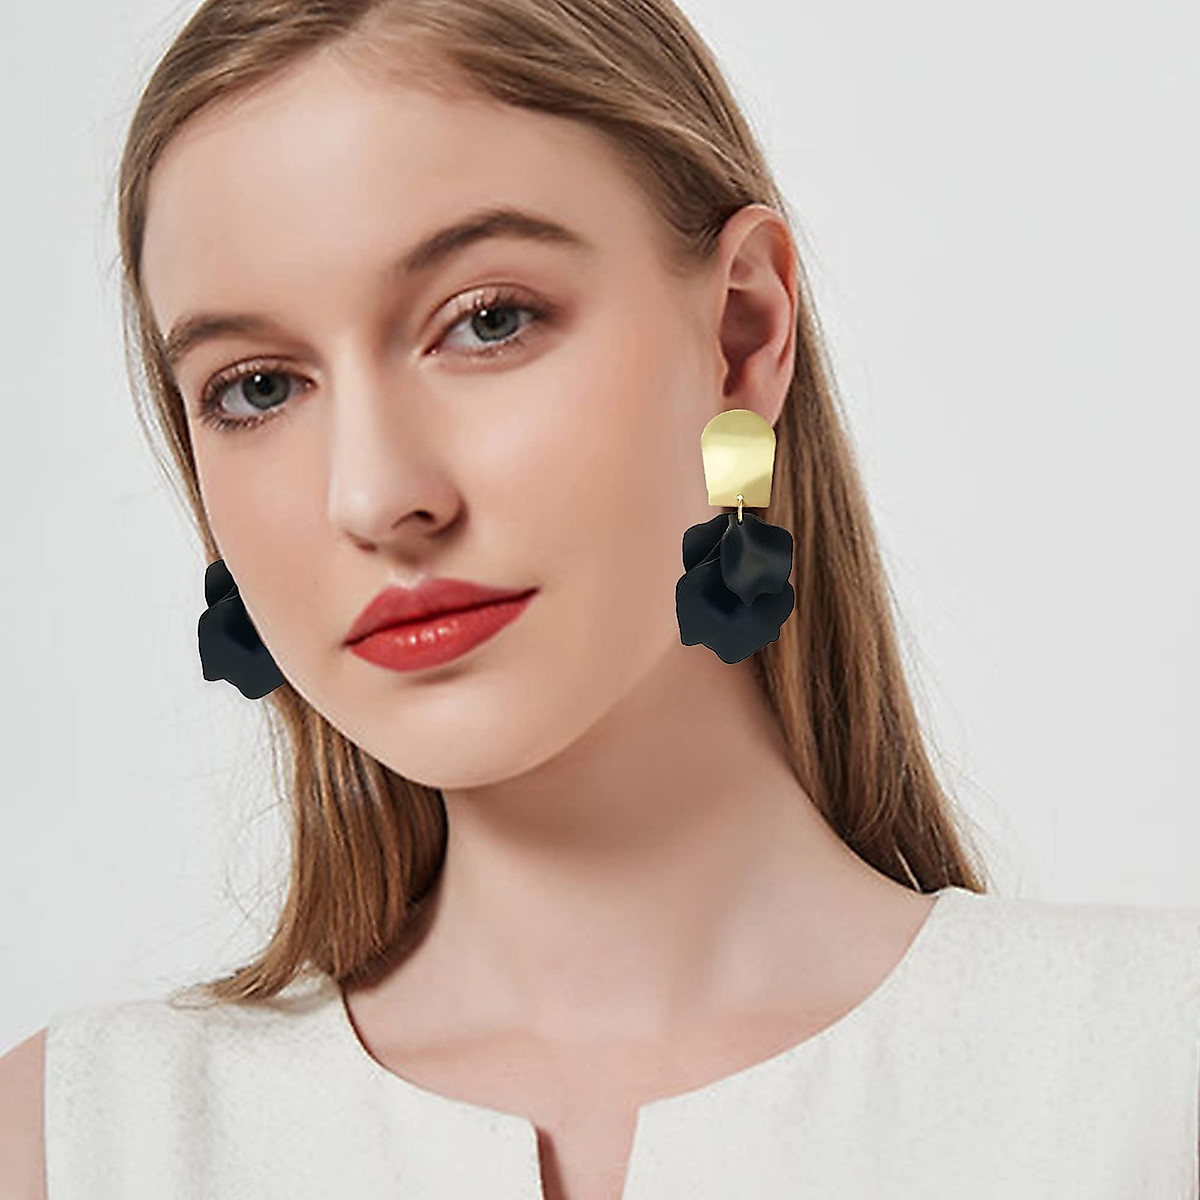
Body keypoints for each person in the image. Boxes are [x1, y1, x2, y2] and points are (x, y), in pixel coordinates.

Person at [2, 1, 1198, 1197]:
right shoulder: (74, 1146)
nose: (374, 496)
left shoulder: (1154, 1073)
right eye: (257, 389)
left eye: (488, 321)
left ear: (742, 333)